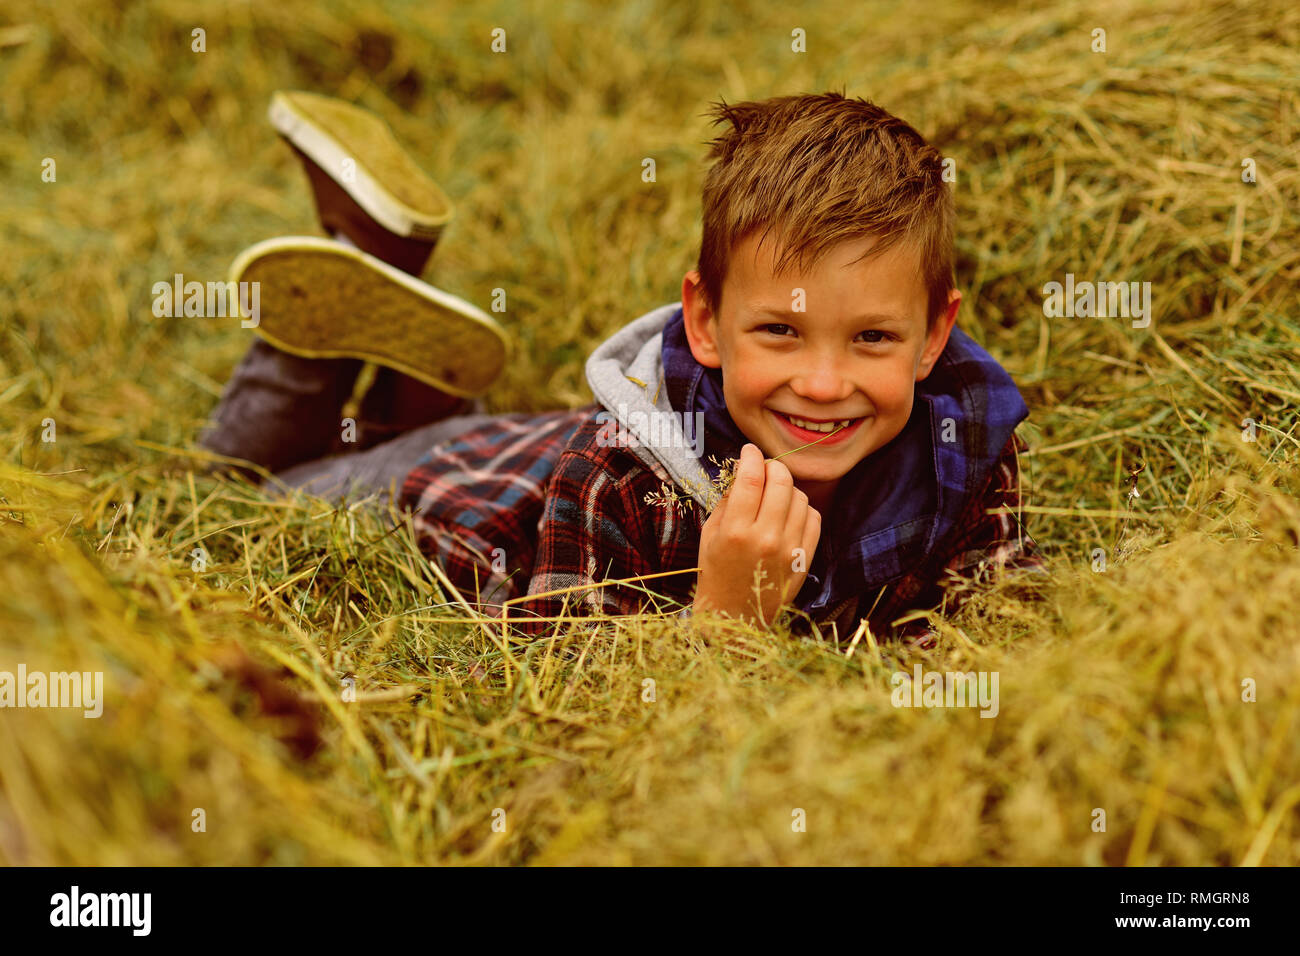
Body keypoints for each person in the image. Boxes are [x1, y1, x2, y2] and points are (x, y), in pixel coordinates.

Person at [198, 90, 1045, 643]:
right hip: (446, 490)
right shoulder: (618, 476)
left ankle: (413, 370)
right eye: (781, 334)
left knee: (415, 434)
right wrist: (722, 622)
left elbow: (1004, 623)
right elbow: (559, 681)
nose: (824, 384)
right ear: (705, 322)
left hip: (520, 443)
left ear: (934, 337)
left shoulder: (963, 448)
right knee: (236, 491)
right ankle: (350, 275)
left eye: (871, 339)